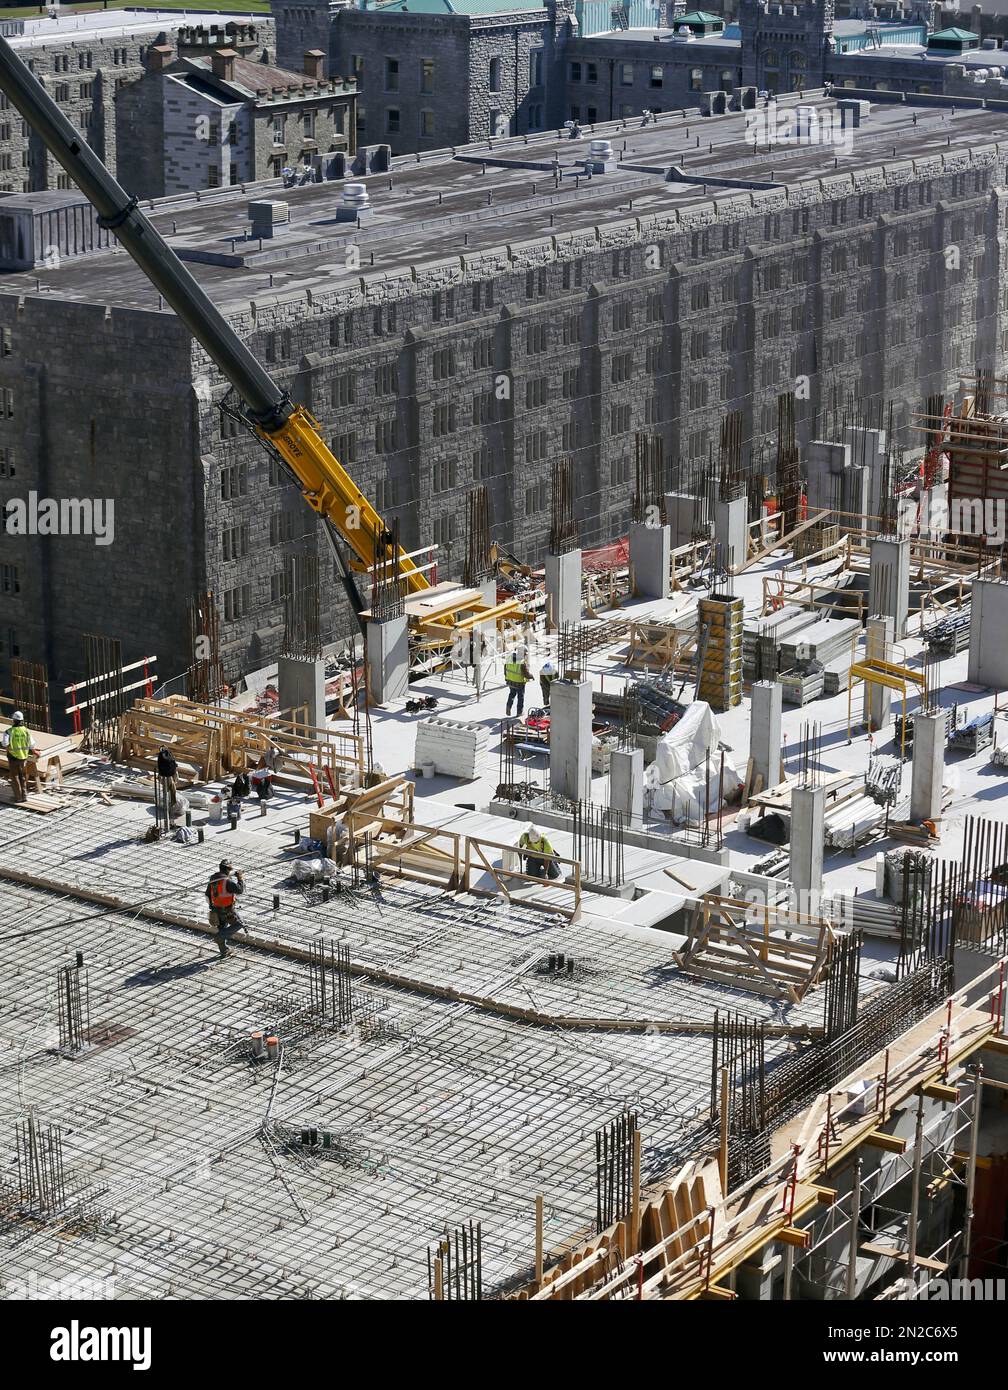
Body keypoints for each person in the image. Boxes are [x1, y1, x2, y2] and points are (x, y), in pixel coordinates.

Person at [205, 858, 246, 958]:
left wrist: (212, 908)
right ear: (228, 870)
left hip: (216, 909)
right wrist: (240, 878)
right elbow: (240, 890)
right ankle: (220, 937)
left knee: (222, 928)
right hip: (228, 910)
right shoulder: (226, 881)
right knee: (239, 924)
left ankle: (224, 951)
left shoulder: (213, 879)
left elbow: (207, 894)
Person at [2, 711, 38, 804]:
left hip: (13, 757)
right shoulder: (26, 730)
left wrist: (8, 747)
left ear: (13, 720)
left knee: (15, 777)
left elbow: (5, 744)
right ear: (22, 720)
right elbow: (32, 744)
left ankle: (18, 798)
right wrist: (35, 752)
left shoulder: (9, 732)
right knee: (22, 776)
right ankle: (24, 796)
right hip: (23, 757)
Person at [504, 647, 533, 718]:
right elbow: (526, 674)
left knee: (512, 694)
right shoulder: (522, 662)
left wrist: (508, 677)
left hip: (510, 681)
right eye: (525, 654)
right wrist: (531, 676)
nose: (526, 655)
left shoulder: (509, 658)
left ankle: (508, 706)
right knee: (520, 697)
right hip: (519, 683)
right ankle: (519, 712)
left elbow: (505, 669)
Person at [156, 746, 178, 816]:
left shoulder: (161, 756)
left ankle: (168, 809)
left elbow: (159, 767)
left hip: (164, 776)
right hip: (171, 775)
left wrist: (159, 776)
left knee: (166, 792)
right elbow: (175, 765)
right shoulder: (170, 755)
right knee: (172, 791)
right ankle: (172, 806)